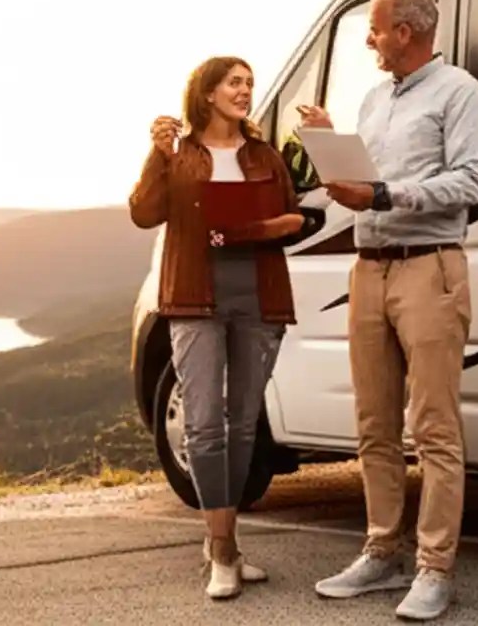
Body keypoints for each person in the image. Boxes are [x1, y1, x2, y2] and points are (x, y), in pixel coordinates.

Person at [305, 0, 478, 621]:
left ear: (406, 31)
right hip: (369, 270)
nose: (370, 40)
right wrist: (333, 148)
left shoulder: (460, 91)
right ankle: (382, 553)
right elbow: (362, 184)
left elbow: (470, 181)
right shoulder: (373, 99)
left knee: (434, 427)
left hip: (430, 269)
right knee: (373, 424)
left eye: (377, 29)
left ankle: (435, 568)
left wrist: (381, 196)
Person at [128, 56, 323, 600]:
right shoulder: (180, 153)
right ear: (208, 92)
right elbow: (144, 213)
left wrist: (261, 227)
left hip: (258, 294)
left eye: (249, 83)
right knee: (205, 424)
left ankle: (228, 546)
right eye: (234, 82)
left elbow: (292, 217)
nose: (245, 90)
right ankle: (221, 549)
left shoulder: (264, 156)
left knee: (243, 425)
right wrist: (156, 154)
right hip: (194, 294)